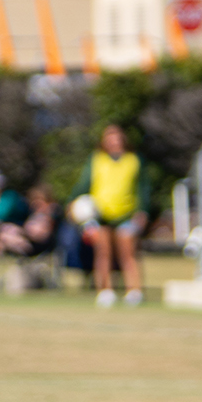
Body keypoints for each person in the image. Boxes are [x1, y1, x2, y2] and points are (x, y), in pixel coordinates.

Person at [70, 125, 150, 307]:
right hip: (100, 214)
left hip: (126, 213)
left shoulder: (134, 160)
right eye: (110, 138)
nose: (114, 142)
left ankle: (134, 291)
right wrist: (73, 201)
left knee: (128, 253)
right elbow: (84, 183)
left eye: (117, 137)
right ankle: (105, 291)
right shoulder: (97, 159)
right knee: (103, 253)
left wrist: (143, 211)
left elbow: (143, 188)